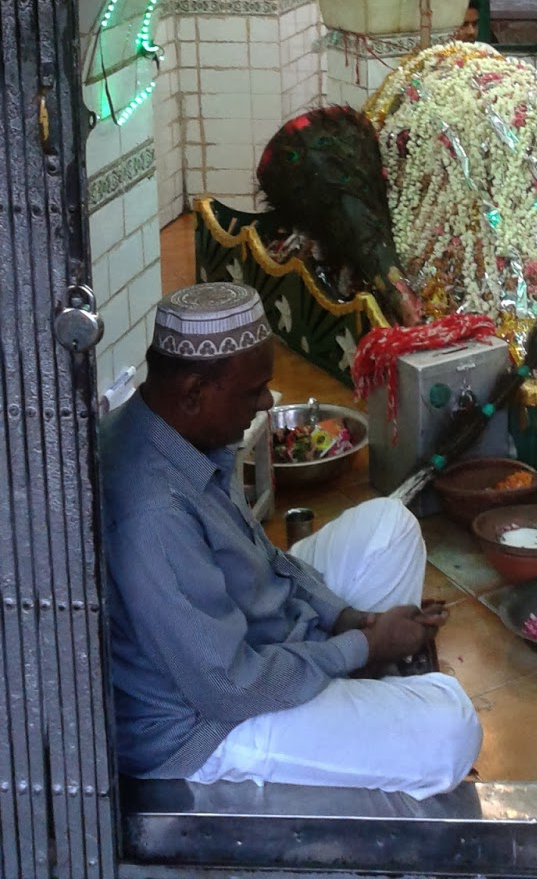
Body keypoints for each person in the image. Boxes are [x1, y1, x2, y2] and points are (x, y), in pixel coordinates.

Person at [100, 282, 481, 795]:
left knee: (392, 527)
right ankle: (366, 702)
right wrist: (362, 646)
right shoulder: (153, 513)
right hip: (207, 723)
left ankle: (355, 701)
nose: (263, 405)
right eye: (253, 390)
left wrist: (344, 617)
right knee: (452, 730)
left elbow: (261, 556)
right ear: (193, 392)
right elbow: (228, 687)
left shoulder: (179, 431)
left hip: (257, 640)